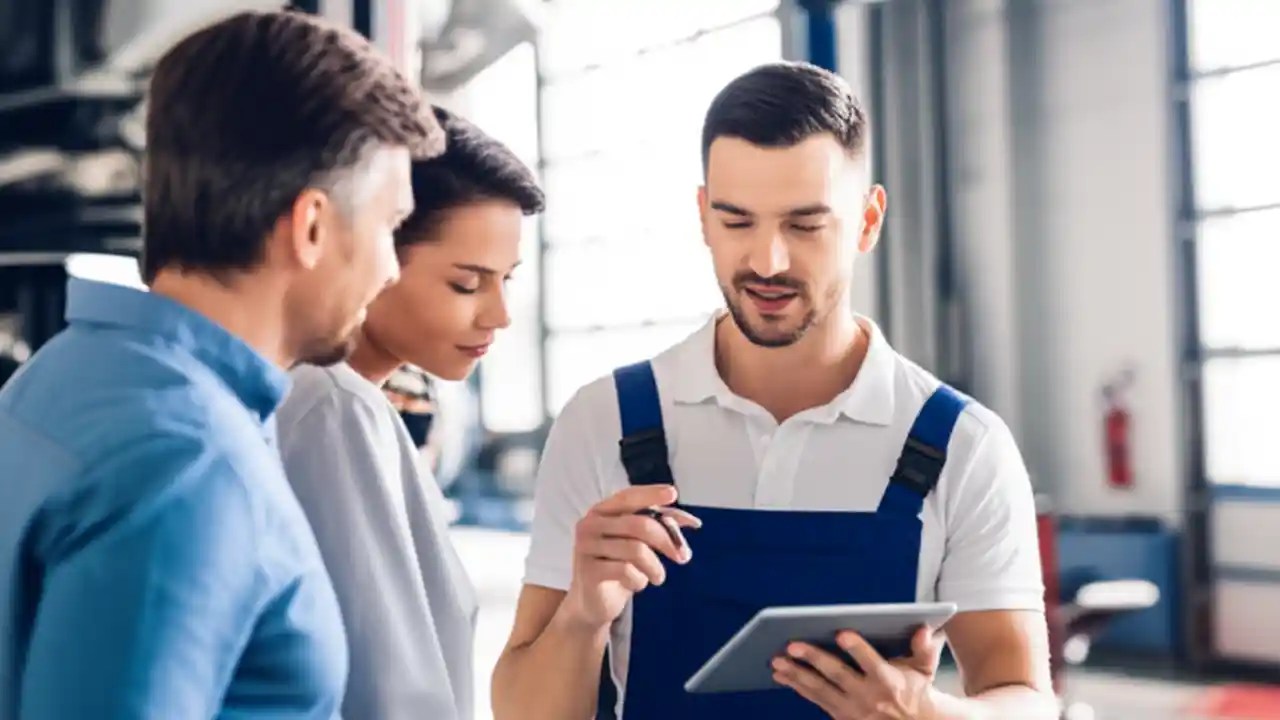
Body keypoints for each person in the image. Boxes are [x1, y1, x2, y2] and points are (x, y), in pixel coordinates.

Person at [492, 62, 1056, 720]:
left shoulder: (962, 446)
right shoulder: (604, 421)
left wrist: (929, 715)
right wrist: (582, 617)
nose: (768, 262)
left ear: (868, 220)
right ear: (703, 216)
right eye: (737, 223)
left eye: (804, 226)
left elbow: (1027, 701)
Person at [0, 11, 439, 719]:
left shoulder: (62, 377)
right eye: (392, 227)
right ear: (313, 227)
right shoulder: (188, 464)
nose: (392, 269)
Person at [275, 106, 544, 720]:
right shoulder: (333, 409)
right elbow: (388, 694)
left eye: (506, 279)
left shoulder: (350, 405)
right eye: (466, 284)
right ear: (375, 246)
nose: (499, 314)